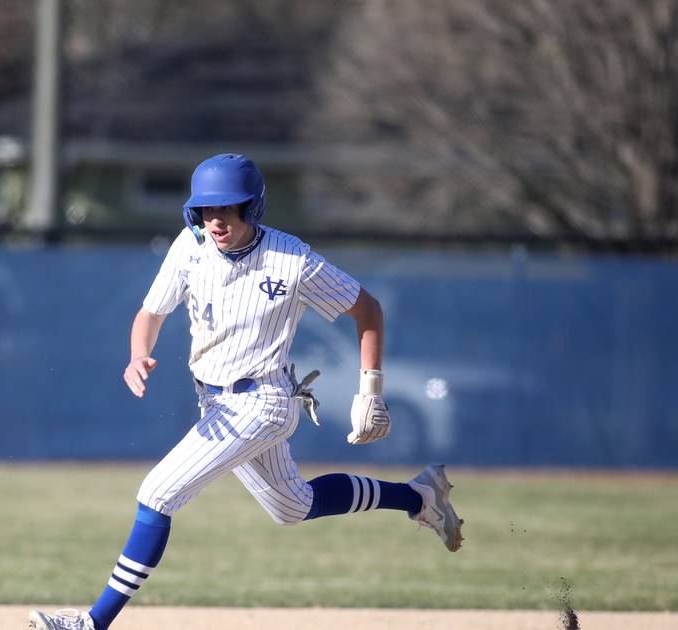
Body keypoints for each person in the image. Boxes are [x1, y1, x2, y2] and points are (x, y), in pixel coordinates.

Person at [28, 153, 463, 630]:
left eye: (227, 208)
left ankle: (93, 624)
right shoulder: (190, 246)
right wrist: (137, 355)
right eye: (206, 209)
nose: (215, 220)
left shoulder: (292, 259)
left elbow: (368, 310)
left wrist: (371, 391)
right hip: (215, 402)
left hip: (264, 402)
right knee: (293, 507)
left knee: (157, 494)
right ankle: (418, 497)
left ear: (251, 207)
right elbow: (151, 314)